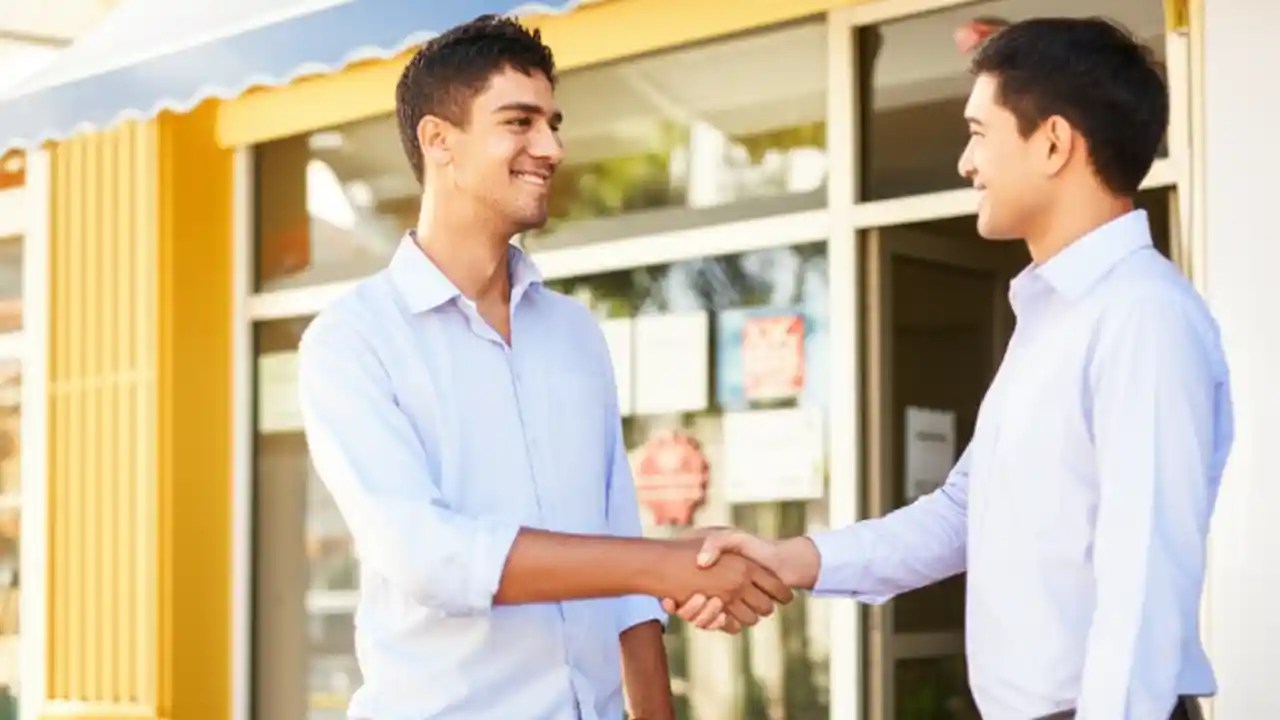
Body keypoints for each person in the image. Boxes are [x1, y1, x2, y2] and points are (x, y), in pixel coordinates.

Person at [666, 17, 1231, 720]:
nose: (966, 163)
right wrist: (791, 558)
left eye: (978, 132)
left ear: (1053, 142)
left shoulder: (1140, 315)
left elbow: (1145, 573)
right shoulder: (1054, 316)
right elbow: (962, 512)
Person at [296, 15, 792, 720]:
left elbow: (621, 552)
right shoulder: (352, 341)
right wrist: (668, 563)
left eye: (553, 124)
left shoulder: (573, 333)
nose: (552, 148)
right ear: (439, 140)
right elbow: (427, 557)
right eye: (519, 122)